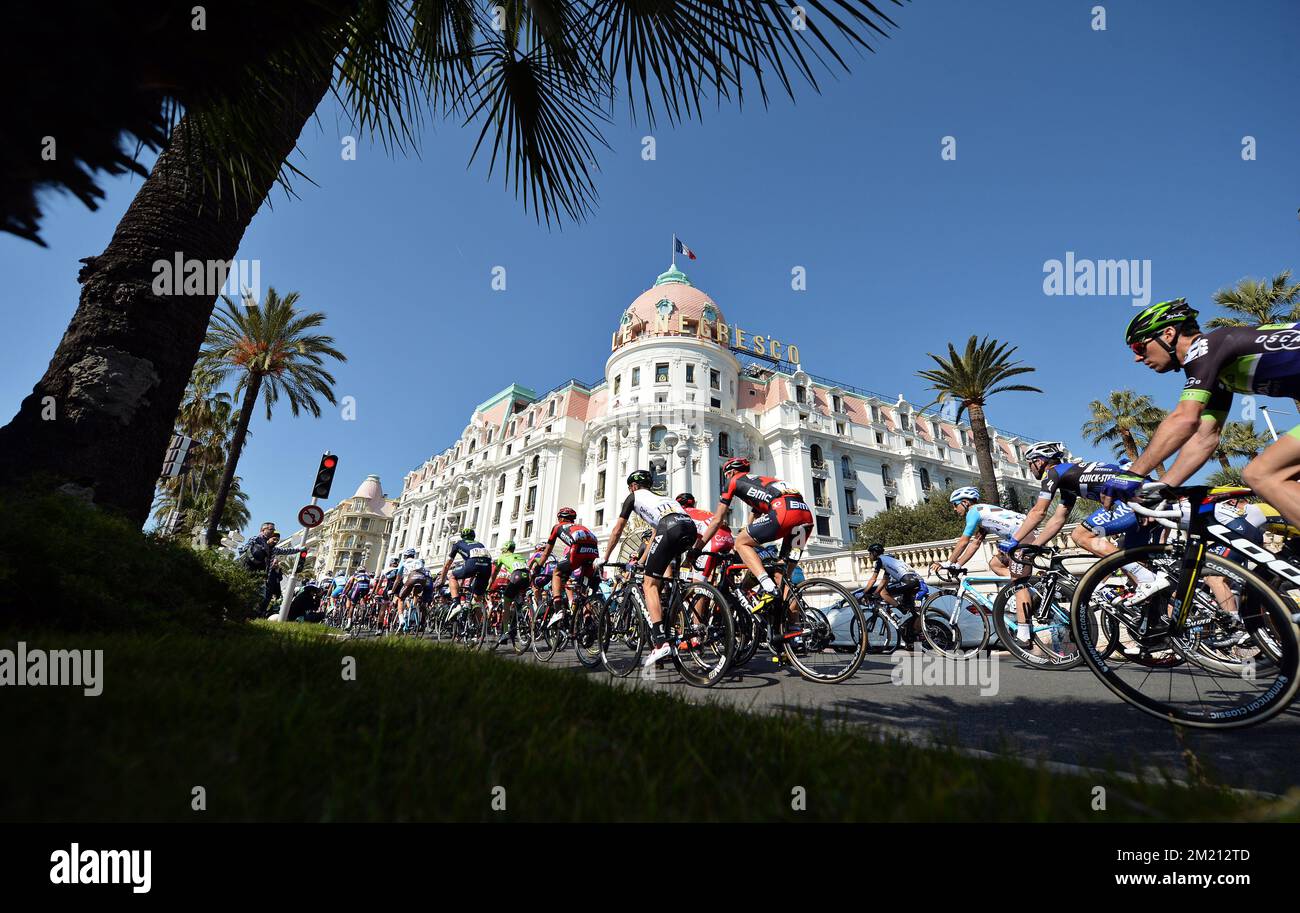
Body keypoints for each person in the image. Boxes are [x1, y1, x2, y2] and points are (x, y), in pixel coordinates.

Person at [1102, 298, 1300, 531]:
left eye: (1139, 347)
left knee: (1263, 473)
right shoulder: (1215, 365)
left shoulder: (1205, 348)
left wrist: (1133, 474)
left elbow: (1185, 419)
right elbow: (1204, 437)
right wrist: (1162, 490)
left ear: (1167, 334)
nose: (1137, 358)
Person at [1005, 441, 1168, 604]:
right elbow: (1058, 519)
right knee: (1132, 564)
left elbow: (1038, 512)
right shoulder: (1068, 479)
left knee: (1080, 534)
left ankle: (1148, 579)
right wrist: (1036, 546)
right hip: (1148, 498)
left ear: (1039, 461)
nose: (1030, 468)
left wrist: (1015, 540)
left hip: (1138, 499)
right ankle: (1165, 614)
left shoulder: (1052, 473)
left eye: (1030, 464)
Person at [694, 457, 813, 627]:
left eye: (726, 474)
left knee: (740, 543)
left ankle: (767, 585)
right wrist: (748, 536)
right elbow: (754, 519)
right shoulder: (762, 482)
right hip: (805, 516)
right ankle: (792, 631)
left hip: (784, 511)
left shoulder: (734, 481)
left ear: (732, 472)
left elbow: (718, 519)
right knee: (783, 576)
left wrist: (698, 548)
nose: (726, 478)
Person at [599, 469, 697, 666]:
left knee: (649, 584)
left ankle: (661, 643)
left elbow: (618, 530)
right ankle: (672, 619)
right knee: (665, 583)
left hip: (669, 527)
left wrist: (605, 557)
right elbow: (654, 536)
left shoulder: (634, 496)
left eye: (630, 488)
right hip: (688, 526)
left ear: (633, 486)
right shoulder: (663, 499)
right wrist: (642, 560)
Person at [929, 487, 1031, 642]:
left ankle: (1024, 632)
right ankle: (1030, 592)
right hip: (1021, 537)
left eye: (955, 504)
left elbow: (964, 541)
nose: (954, 509)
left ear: (964, 502)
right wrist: (957, 564)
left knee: (1019, 584)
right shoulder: (983, 513)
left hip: (1024, 539)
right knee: (995, 563)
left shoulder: (973, 512)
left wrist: (948, 562)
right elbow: (975, 543)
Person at [530, 508, 600, 630]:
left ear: (561, 518)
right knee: (582, 594)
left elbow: (546, 553)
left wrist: (538, 568)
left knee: (557, 573)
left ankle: (558, 610)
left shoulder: (557, 527)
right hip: (593, 551)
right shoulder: (580, 526)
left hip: (578, 549)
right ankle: (588, 619)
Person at [861, 543, 928, 645]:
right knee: (913, 611)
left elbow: (873, 579)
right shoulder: (889, 560)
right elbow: (884, 581)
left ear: (874, 553)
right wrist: (875, 592)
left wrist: (864, 592)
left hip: (908, 581)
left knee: (883, 592)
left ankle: (901, 608)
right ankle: (911, 636)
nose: (869, 556)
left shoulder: (880, 560)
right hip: (916, 580)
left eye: (870, 553)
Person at [676, 492, 734, 582]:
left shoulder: (681, 514)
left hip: (713, 542)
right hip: (729, 540)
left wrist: (687, 560)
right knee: (709, 579)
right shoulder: (703, 512)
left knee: (698, 585)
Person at [437, 528, 492, 621]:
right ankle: (480, 628)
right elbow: (480, 564)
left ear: (462, 537)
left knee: (452, 576)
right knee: (477, 600)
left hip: (472, 563)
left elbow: (447, 565)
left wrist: (442, 581)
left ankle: (456, 603)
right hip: (487, 566)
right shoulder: (480, 544)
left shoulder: (458, 544)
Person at [487, 540, 530, 646]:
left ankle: (505, 632)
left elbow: (495, 573)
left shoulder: (502, 557)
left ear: (505, 550)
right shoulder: (519, 556)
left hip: (516, 576)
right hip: (527, 577)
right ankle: (519, 614)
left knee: (506, 605)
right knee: (517, 599)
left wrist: (489, 587)